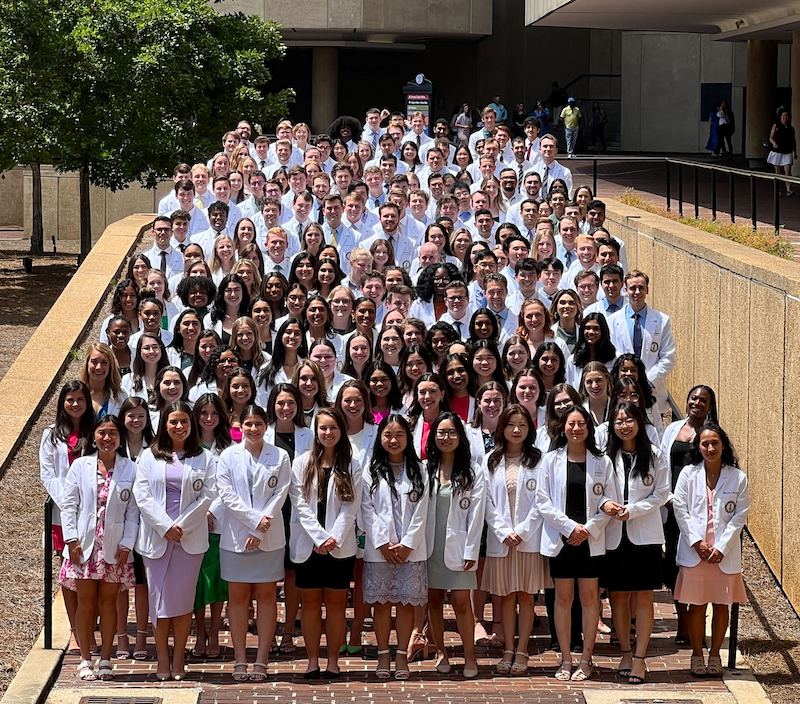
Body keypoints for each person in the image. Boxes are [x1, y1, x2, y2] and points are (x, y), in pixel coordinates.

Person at [134, 401, 216, 681]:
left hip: (188, 540)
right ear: (164, 425)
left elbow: (208, 495)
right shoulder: (148, 456)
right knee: (158, 603)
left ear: (191, 425)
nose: (179, 427)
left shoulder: (204, 457)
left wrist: (181, 526)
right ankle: (162, 660)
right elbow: (141, 494)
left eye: (184, 421)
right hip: (157, 539)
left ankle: (178, 658)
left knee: (182, 602)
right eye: (173, 422)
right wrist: (165, 526)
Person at [538, 404, 614, 681]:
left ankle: (586, 659)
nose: (576, 428)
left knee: (589, 598)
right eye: (571, 424)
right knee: (563, 598)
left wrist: (587, 530)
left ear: (588, 428)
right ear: (563, 427)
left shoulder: (602, 461)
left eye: (581, 424)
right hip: (562, 541)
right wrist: (570, 528)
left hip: (590, 541)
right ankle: (566, 658)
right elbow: (543, 502)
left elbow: (609, 501)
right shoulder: (550, 460)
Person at [60, 415, 139, 681]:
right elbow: (69, 505)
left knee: (109, 603)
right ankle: (85, 658)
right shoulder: (80, 466)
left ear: (120, 438)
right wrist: (71, 539)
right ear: (94, 435)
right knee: (85, 603)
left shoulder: (130, 469)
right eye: (102, 433)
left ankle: (106, 657)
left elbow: (133, 512)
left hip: (115, 549)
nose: (107, 438)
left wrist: (128, 544)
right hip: (84, 547)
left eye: (112, 433)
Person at [216, 404, 291, 682]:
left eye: (259, 423)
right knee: (237, 598)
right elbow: (226, 494)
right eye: (248, 423)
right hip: (236, 538)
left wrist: (260, 529)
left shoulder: (280, 456)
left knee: (267, 597)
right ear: (239, 425)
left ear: (266, 424)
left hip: (269, 538)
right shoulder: (227, 456)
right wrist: (252, 521)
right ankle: (239, 659)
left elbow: (280, 493)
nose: (253, 429)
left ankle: (261, 659)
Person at [289, 408, 362, 678]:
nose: (328, 433)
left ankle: (332, 660)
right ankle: (312, 660)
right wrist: (320, 538)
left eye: (333, 428)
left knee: (336, 604)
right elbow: (299, 506)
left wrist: (333, 538)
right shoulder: (301, 463)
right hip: (308, 546)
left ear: (341, 431)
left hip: (339, 546)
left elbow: (350, 507)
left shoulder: (352, 464)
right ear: (315, 432)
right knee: (309, 604)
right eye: (323, 428)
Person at [600, 402, 670, 685]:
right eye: (618, 421)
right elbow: (598, 490)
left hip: (645, 536)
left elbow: (662, 493)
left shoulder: (654, 455)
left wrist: (634, 509)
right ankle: (626, 652)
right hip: (614, 536)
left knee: (643, 597)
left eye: (629, 420)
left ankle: (640, 658)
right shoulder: (605, 457)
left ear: (639, 423)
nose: (624, 425)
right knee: (618, 596)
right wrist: (607, 504)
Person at [673, 423, 749, 678]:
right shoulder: (687, 474)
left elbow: (740, 516)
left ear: (723, 445)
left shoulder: (737, 477)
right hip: (695, 553)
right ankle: (697, 654)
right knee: (696, 606)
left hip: (722, 555)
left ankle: (715, 654)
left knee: (721, 605)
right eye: (705, 443)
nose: (710, 447)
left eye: (715, 442)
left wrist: (722, 547)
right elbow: (680, 510)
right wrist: (697, 542)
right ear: (698, 447)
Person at [361, 414, 429, 680]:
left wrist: (408, 544)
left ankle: (401, 655)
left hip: (410, 549)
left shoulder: (420, 469)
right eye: (388, 435)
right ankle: (382, 654)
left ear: (407, 438)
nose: (393, 440)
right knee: (381, 604)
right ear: (380, 438)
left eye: (399, 435)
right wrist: (383, 543)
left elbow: (422, 511)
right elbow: (367, 510)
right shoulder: (370, 470)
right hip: (380, 550)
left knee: (404, 604)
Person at [482, 404, 548, 677]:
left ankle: (522, 650)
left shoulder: (539, 460)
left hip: (527, 540)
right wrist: (501, 531)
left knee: (526, 597)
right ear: (502, 428)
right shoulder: (491, 460)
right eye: (511, 425)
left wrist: (522, 530)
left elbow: (542, 500)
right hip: (502, 540)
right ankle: (508, 648)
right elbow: (486, 501)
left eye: (522, 425)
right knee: (505, 597)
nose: (517, 430)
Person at [424, 412, 485, 678]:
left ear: (460, 437)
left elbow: (477, 515)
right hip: (429, 546)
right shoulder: (424, 468)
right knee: (433, 600)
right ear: (433, 436)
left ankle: (469, 656)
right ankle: (441, 652)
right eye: (441, 433)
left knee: (462, 602)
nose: (446, 438)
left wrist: (471, 550)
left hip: (460, 546)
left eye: (451, 433)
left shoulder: (473, 471)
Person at [660, 384, 718, 644]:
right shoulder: (673, 429)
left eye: (703, 400)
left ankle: (696, 624)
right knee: (674, 564)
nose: (697, 403)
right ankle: (682, 620)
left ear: (710, 406)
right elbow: (662, 466)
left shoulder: (712, 434)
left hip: (699, 513)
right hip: (673, 510)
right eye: (693, 398)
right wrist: (668, 499)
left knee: (697, 567)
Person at [768, 109, 797, 195]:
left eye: (787, 116)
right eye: (783, 116)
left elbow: (793, 141)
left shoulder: (791, 128)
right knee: (778, 172)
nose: (785, 117)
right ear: (780, 117)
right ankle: (778, 190)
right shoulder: (776, 126)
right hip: (777, 152)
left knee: (787, 172)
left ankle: (788, 190)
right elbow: (771, 137)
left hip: (787, 151)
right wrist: (774, 143)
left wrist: (794, 152)